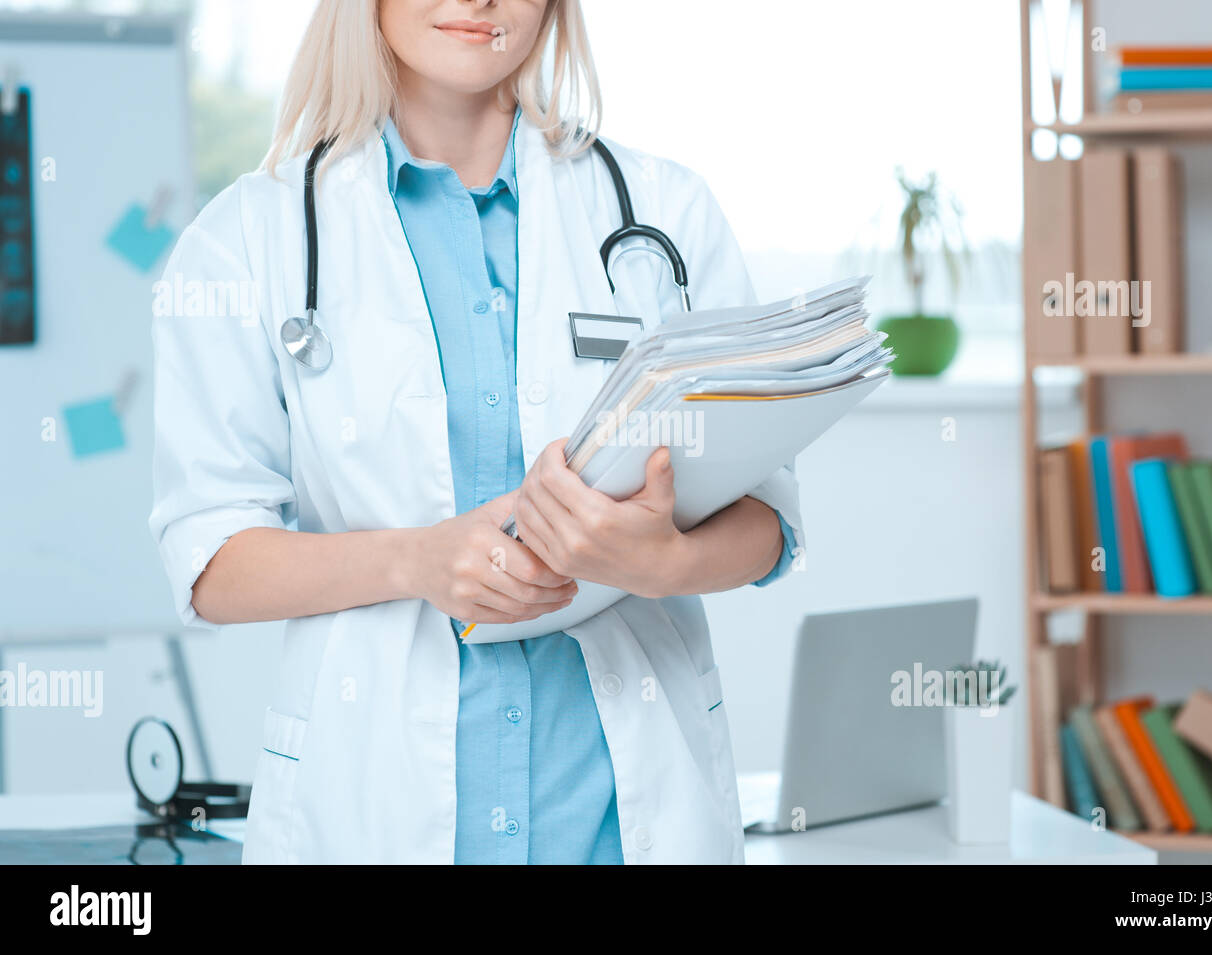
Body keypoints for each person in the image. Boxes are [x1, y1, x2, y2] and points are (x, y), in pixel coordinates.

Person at [149, 0, 802, 864]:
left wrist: (662, 562)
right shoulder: (246, 239)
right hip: (372, 813)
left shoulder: (663, 212)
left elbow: (768, 519)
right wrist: (415, 560)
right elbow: (210, 560)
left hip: (614, 824)